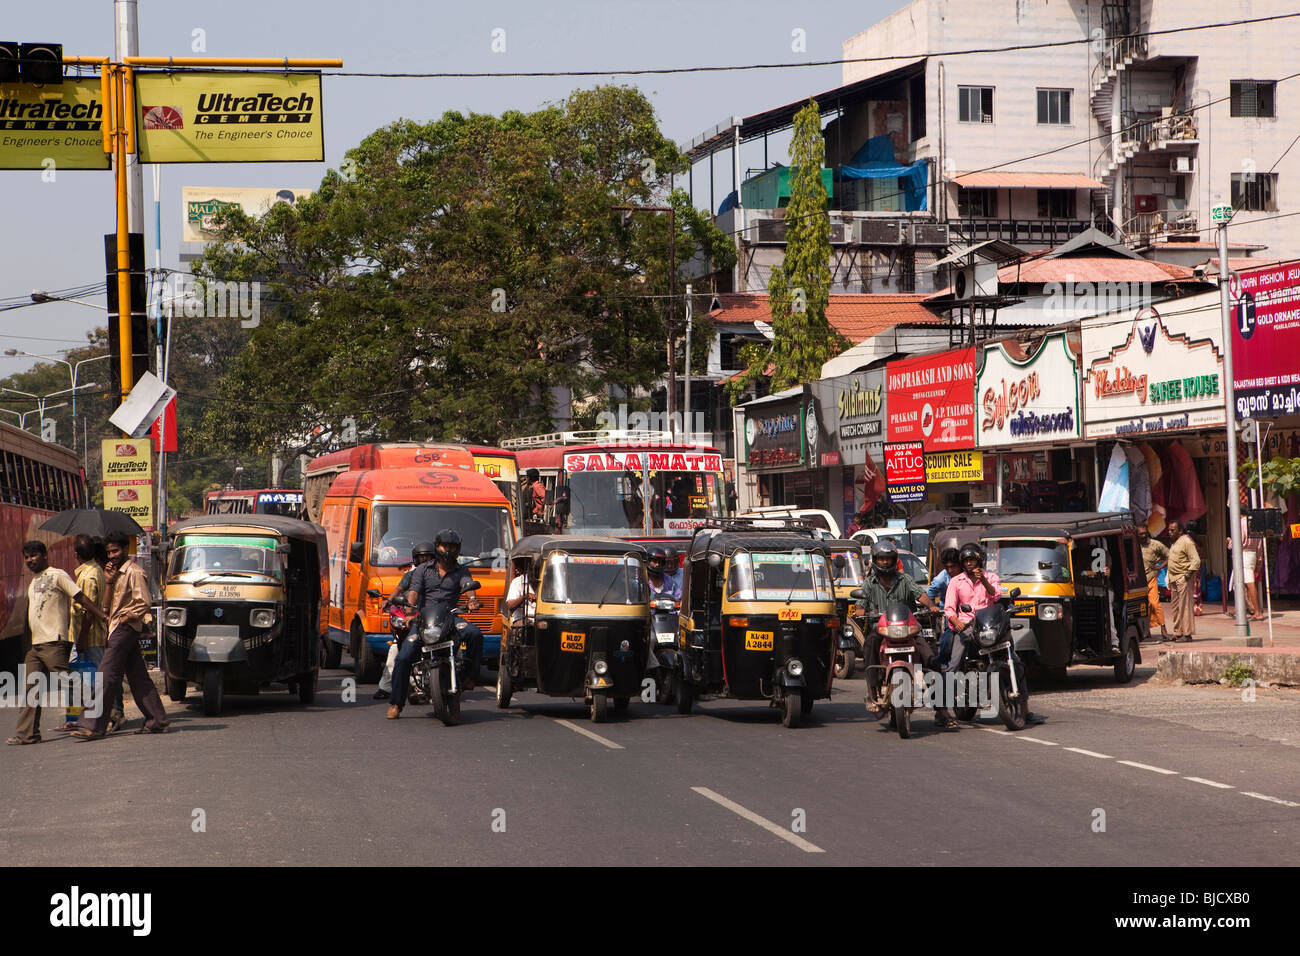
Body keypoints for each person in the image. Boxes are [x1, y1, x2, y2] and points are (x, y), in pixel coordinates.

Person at [8, 541, 109, 745]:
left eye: (33, 555)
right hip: (36, 645)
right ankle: (27, 734)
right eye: (26, 557)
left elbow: (81, 598)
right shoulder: (33, 581)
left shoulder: (58, 575)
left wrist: (103, 616)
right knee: (30, 688)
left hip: (54, 641)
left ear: (45, 555)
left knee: (70, 683)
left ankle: (103, 714)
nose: (29, 560)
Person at [71, 532, 169, 739]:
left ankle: (95, 724)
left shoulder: (134, 572)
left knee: (106, 675)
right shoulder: (115, 574)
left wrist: (127, 617)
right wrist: (108, 582)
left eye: (115, 551)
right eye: (108, 552)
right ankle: (157, 720)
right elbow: (106, 607)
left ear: (126, 549)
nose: (112, 556)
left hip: (124, 628)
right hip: (116, 627)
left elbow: (144, 602)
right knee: (138, 676)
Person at [388, 530, 483, 717]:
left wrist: (472, 600)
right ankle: (396, 704)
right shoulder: (423, 570)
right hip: (424, 620)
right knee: (403, 657)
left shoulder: (461, 570)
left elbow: (468, 587)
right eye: (445, 546)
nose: (448, 550)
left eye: (452, 546)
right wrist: (409, 613)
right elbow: (414, 592)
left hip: (451, 617)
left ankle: (469, 678)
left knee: (475, 635)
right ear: (437, 547)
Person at [858, 539, 936, 714]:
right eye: (881, 559)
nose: (885, 562)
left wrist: (931, 606)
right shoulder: (870, 583)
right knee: (870, 645)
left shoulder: (905, 579)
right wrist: (860, 610)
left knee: (930, 657)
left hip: (908, 630)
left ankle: (942, 709)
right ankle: (872, 691)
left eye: (888, 559)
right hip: (882, 631)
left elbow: (921, 594)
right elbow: (860, 603)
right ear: (875, 560)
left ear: (894, 560)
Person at [67, 535, 121, 732]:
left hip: (90, 637)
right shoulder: (94, 570)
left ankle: (112, 715)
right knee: (86, 677)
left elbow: (88, 609)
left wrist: (81, 639)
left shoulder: (89, 575)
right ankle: (83, 716)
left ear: (75, 554)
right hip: (88, 635)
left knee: (99, 679)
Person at [373, 542, 436, 701]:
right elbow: (399, 589)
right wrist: (389, 600)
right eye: (421, 558)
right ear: (416, 559)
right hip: (414, 620)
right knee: (396, 650)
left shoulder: (438, 575)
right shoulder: (410, 575)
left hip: (433, 621)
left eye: (428, 557)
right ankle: (386, 688)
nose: (424, 561)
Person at [942, 542, 1005, 670]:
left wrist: (983, 580)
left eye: (972, 560)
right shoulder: (956, 581)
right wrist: (956, 622)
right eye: (966, 561)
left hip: (988, 627)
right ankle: (947, 688)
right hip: (966, 627)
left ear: (979, 560)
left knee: (1012, 659)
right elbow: (949, 608)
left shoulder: (991, 577)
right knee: (954, 665)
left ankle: (1017, 687)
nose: (969, 563)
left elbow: (996, 595)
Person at [925, 547, 962, 669]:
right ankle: (942, 663)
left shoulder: (967, 575)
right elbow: (929, 593)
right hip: (950, 614)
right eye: (948, 567)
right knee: (949, 636)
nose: (951, 570)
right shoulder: (942, 578)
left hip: (968, 613)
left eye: (953, 566)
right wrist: (932, 607)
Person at [1165, 521, 1200, 643]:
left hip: (1183, 578)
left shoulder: (1186, 541)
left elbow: (1196, 560)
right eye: (1169, 530)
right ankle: (1178, 632)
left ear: (1180, 531)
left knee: (1185, 606)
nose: (1170, 533)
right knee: (1175, 607)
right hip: (1173, 579)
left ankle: (1187, 633)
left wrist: (1187, 575)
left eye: (1172, 530)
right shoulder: (1174, 543)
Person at [1226, 515, 1265, 620]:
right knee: (1241, 583)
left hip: (1244, 554)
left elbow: (1238, 541)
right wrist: (1259, 558)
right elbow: (1260, 543)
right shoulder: (1254, 523)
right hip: (1252, 554)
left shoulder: (1241, 523)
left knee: (1249, 583)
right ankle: (1241, 609)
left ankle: (1257, 611)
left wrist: (1229, 542)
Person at [1139, 529, 1169, 641]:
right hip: (1139, 581)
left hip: (1151, 578)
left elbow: (1169, 555)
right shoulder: (1134, 545)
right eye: (1140, 534)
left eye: (1144, 533)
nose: (1143, 535)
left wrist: (1160, 567)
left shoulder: (1155, 544)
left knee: (1155, 604)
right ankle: (1147, 630)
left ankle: (1163, 628)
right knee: (1145, 606)